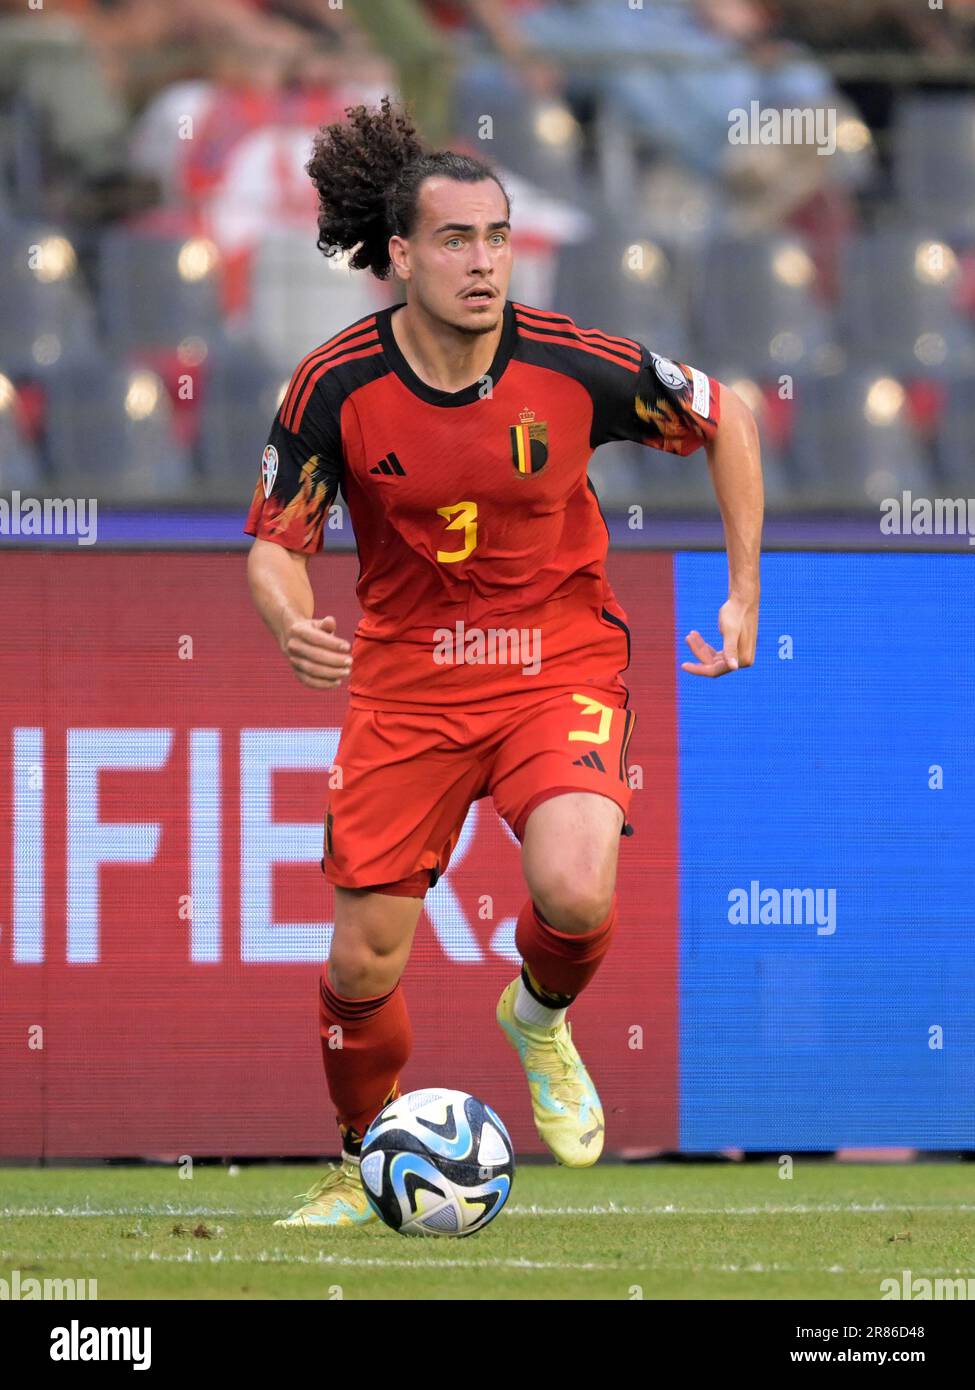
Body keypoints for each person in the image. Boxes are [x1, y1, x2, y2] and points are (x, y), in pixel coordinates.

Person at [244, 95, 763, 1227]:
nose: (483, 265)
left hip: (554, 657)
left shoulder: (573, 362)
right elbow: (276, 543)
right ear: (398, 256)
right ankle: (357, 1156)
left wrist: (741, 593)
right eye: (453, 240)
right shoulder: (333, 384)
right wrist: (290, 620)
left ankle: (536, 1016)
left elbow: (731, 417)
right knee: (363, 965)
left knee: (576, 886)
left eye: (496, 238)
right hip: (408, 680)